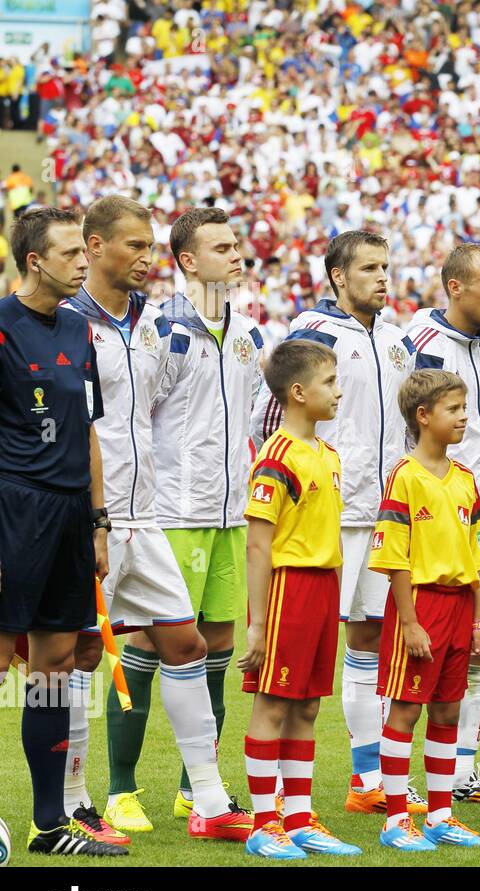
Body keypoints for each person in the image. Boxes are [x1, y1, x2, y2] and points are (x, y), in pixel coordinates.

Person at [65, 196, 250, 842]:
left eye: (150, 246)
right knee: (76, 656)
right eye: (135, 246)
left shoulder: (152, 323)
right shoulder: (68, 324)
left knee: (189, 645)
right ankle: (83, 801)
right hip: (96, 517)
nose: (147, 258)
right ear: (93, 247)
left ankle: (205, 798)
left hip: (145, 518)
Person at [251, 230, 417, 813]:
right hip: (326, 518)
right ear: (338, 277)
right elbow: (269, 417)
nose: (381, 277)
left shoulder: (399, 342)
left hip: (383, 514)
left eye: (386, 266)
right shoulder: (311, 333)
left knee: (368, 639)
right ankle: (263, 795)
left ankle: (365, 781)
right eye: (369, 267)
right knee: (290, 655)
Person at [0, 207, 126, 857]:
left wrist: (99, 523)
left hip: (72, 518)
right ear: (34, 261)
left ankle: (49, 827)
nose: (85, 261)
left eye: (84, 250)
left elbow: (86, 432)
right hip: (13, 513)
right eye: (72, 252)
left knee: (51, 669)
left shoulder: (79, 331)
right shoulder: (0, 327)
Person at [151, 206, 265, 819]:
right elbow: (138, 420)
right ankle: (119, 790)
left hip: (231, 513)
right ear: (189, 261)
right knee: (157, 642)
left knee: (217, 643)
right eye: (222, 247)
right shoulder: (163, 330)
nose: (237, 254)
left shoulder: (249, 334)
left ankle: (196, 786)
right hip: (174, 509)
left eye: (237, 244)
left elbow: (259, 419)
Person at [241, 339, 360, 859]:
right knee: (273, 703)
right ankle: (264, 824)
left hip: (323, 587)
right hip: (287, 589)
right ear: (297, 392)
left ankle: (299, 816)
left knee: (307, 705)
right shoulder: (275, 457)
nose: (338, 391)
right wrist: (258, 624)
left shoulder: (328, 454)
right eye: (329, 383)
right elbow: (258, 544)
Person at [369, 370, 480, 852]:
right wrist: (409, 621)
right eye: (454, 409)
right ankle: (397, 818)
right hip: (421, 605)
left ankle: (441, 815)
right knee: (405, 709)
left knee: (448, 709)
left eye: (465, 408)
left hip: (462, 607)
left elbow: (478, 553)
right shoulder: (404, 476)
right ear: (424, 416)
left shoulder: (465, 479)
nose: (464, 417)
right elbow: (393, 556)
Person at [408, 243, 480, 806]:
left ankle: (461, 775)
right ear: (454, 286)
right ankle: (376, 777)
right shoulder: (420, 346)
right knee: (418, 655)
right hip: (431, 524)